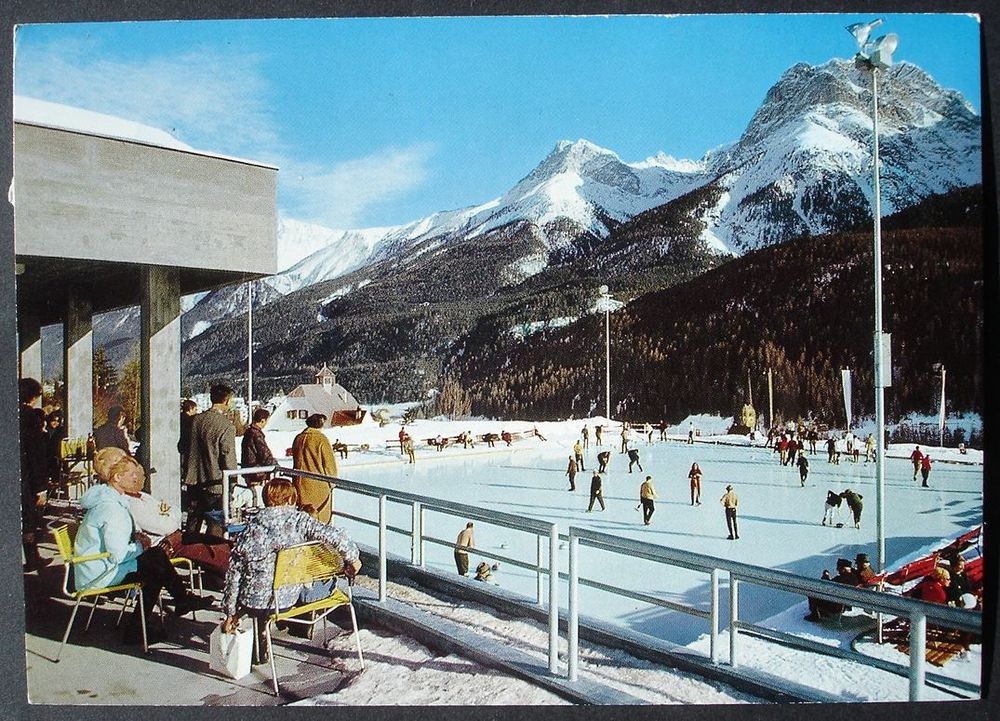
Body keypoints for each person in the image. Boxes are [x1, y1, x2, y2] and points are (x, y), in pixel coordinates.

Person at [76, 451, 214, 644]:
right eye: (131, 473)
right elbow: (118, 554)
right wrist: (141, 544)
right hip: (100, 572)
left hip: (98, 566)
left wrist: (136, 538)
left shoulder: (111, 500)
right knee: (155, 563)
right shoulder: (110, 508)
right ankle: (171, 606)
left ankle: (142, 626)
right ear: (117, 478)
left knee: (156, 563)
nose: (136, 477)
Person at [221, 478, 361, 661]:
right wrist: (354, 559)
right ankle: (298, 624)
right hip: (286, 598)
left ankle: (261, 642)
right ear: (289, 501)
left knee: (263, 582)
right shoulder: (299, 520)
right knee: (313, 581)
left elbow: (234, 574)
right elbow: (336, 536)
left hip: (252, 602)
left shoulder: (249, 529)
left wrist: (231, 612)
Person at [94, 447, 232, 585]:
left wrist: (167, 515)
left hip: (172, 538)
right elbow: (166, 525)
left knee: (213, 542)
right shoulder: (129, 502)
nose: (135, 474)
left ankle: (222, 576)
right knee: (209, 550)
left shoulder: (140, 496)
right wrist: (167, 515)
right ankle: (235, 574)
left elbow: (173, 511)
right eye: (128, 470)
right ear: (117, 475)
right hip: (163, 545)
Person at [184, 384, 238, 533]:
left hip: (194, 480)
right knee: (216, 524)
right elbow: (228, 457)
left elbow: (184, 447)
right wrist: (232, 482)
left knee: (193, 521)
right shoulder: (226, 426)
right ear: (226, 400)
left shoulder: (195, 420)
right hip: (215, 483)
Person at [19, 377, 48, 571]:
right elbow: (37, 455)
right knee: (28, 519)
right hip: (26, 479)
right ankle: (31, 558)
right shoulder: (30, 417)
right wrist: (41, 487)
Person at [291, 413, 337, 523]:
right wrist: (332, 483)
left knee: (303, 519)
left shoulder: (298, 438)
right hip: (318, 488)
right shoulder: (321, 439)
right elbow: (329, 465)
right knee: (320, 520)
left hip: (299, 484)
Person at [241, 407, 276, 484]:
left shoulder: (249, 432)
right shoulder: (256, 434)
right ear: (262, 420)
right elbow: (264, 454)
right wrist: (276, 465)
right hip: (256, 473)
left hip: (249, 470)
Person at [45, 409, 67, 482]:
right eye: (53, 421)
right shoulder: (46, 430)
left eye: (58, 421)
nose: (55, 423)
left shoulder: (60, 431)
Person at [178, 399, 198, 477]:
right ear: (190, 408)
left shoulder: (178, 418)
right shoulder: (190, 421)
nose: (196, 412)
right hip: (186, 449)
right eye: (195, 409)